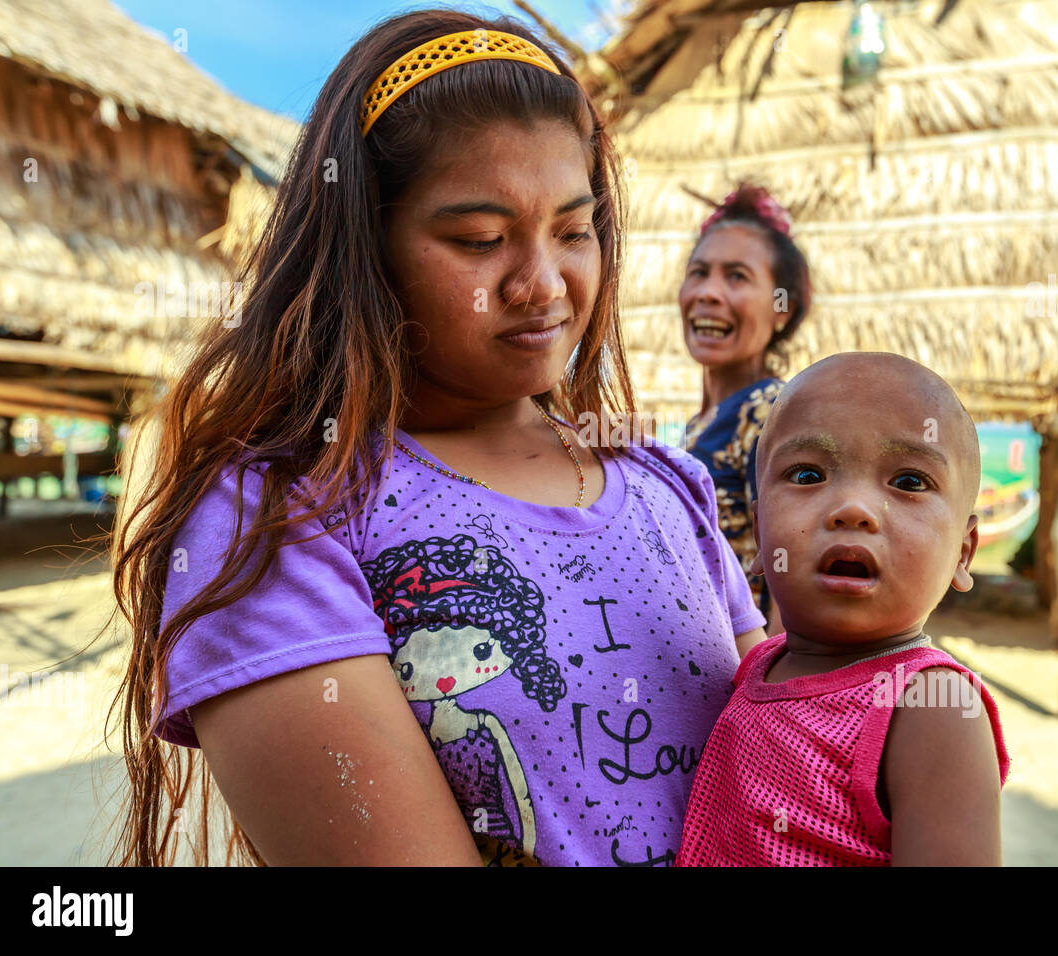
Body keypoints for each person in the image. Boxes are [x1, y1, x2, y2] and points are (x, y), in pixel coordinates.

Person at [101, 10, 766, 867]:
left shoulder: (669, 488)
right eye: (480, 240)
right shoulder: (280, 522)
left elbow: (789, 754)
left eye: (573, 231)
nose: (541, 284)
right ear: (364, 246)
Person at [676, 352, 1011, 866]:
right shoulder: (756, 669)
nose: (852, 508)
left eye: (909, 482)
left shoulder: (930, 707)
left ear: (963, 553)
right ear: (762, 533)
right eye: (807, 474)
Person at [678, 184, 812, 637]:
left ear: (781, 309)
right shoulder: (704, 424)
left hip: (746, 673)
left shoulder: (768, 411)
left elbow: (789, 575)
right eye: (699, 273)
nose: (709, 292)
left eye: (737, 276)